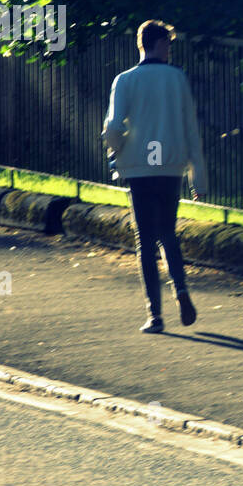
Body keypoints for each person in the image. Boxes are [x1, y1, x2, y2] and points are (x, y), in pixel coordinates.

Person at [101, 20, 208, 333]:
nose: (171, 49)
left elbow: (113, 127)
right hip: (170, 167)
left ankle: (155, 315)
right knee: (168, 233)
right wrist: (197, 179)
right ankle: (182, 291)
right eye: (169, 44)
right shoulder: (178, 79)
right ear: (159, 44)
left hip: (139, 168)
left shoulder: (125, 80)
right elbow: (191, 130)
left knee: (144, 240)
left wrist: (115, 152)